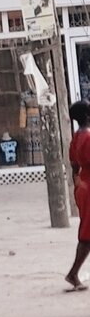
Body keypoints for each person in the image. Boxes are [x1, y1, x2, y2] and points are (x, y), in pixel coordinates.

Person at [66, 100, 90, 291]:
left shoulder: (76, 137)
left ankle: (73, 273)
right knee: (87, 235)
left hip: (83, 185)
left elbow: (74, 165)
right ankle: (73, 273)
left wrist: (77, 181)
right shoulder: (88, 138)